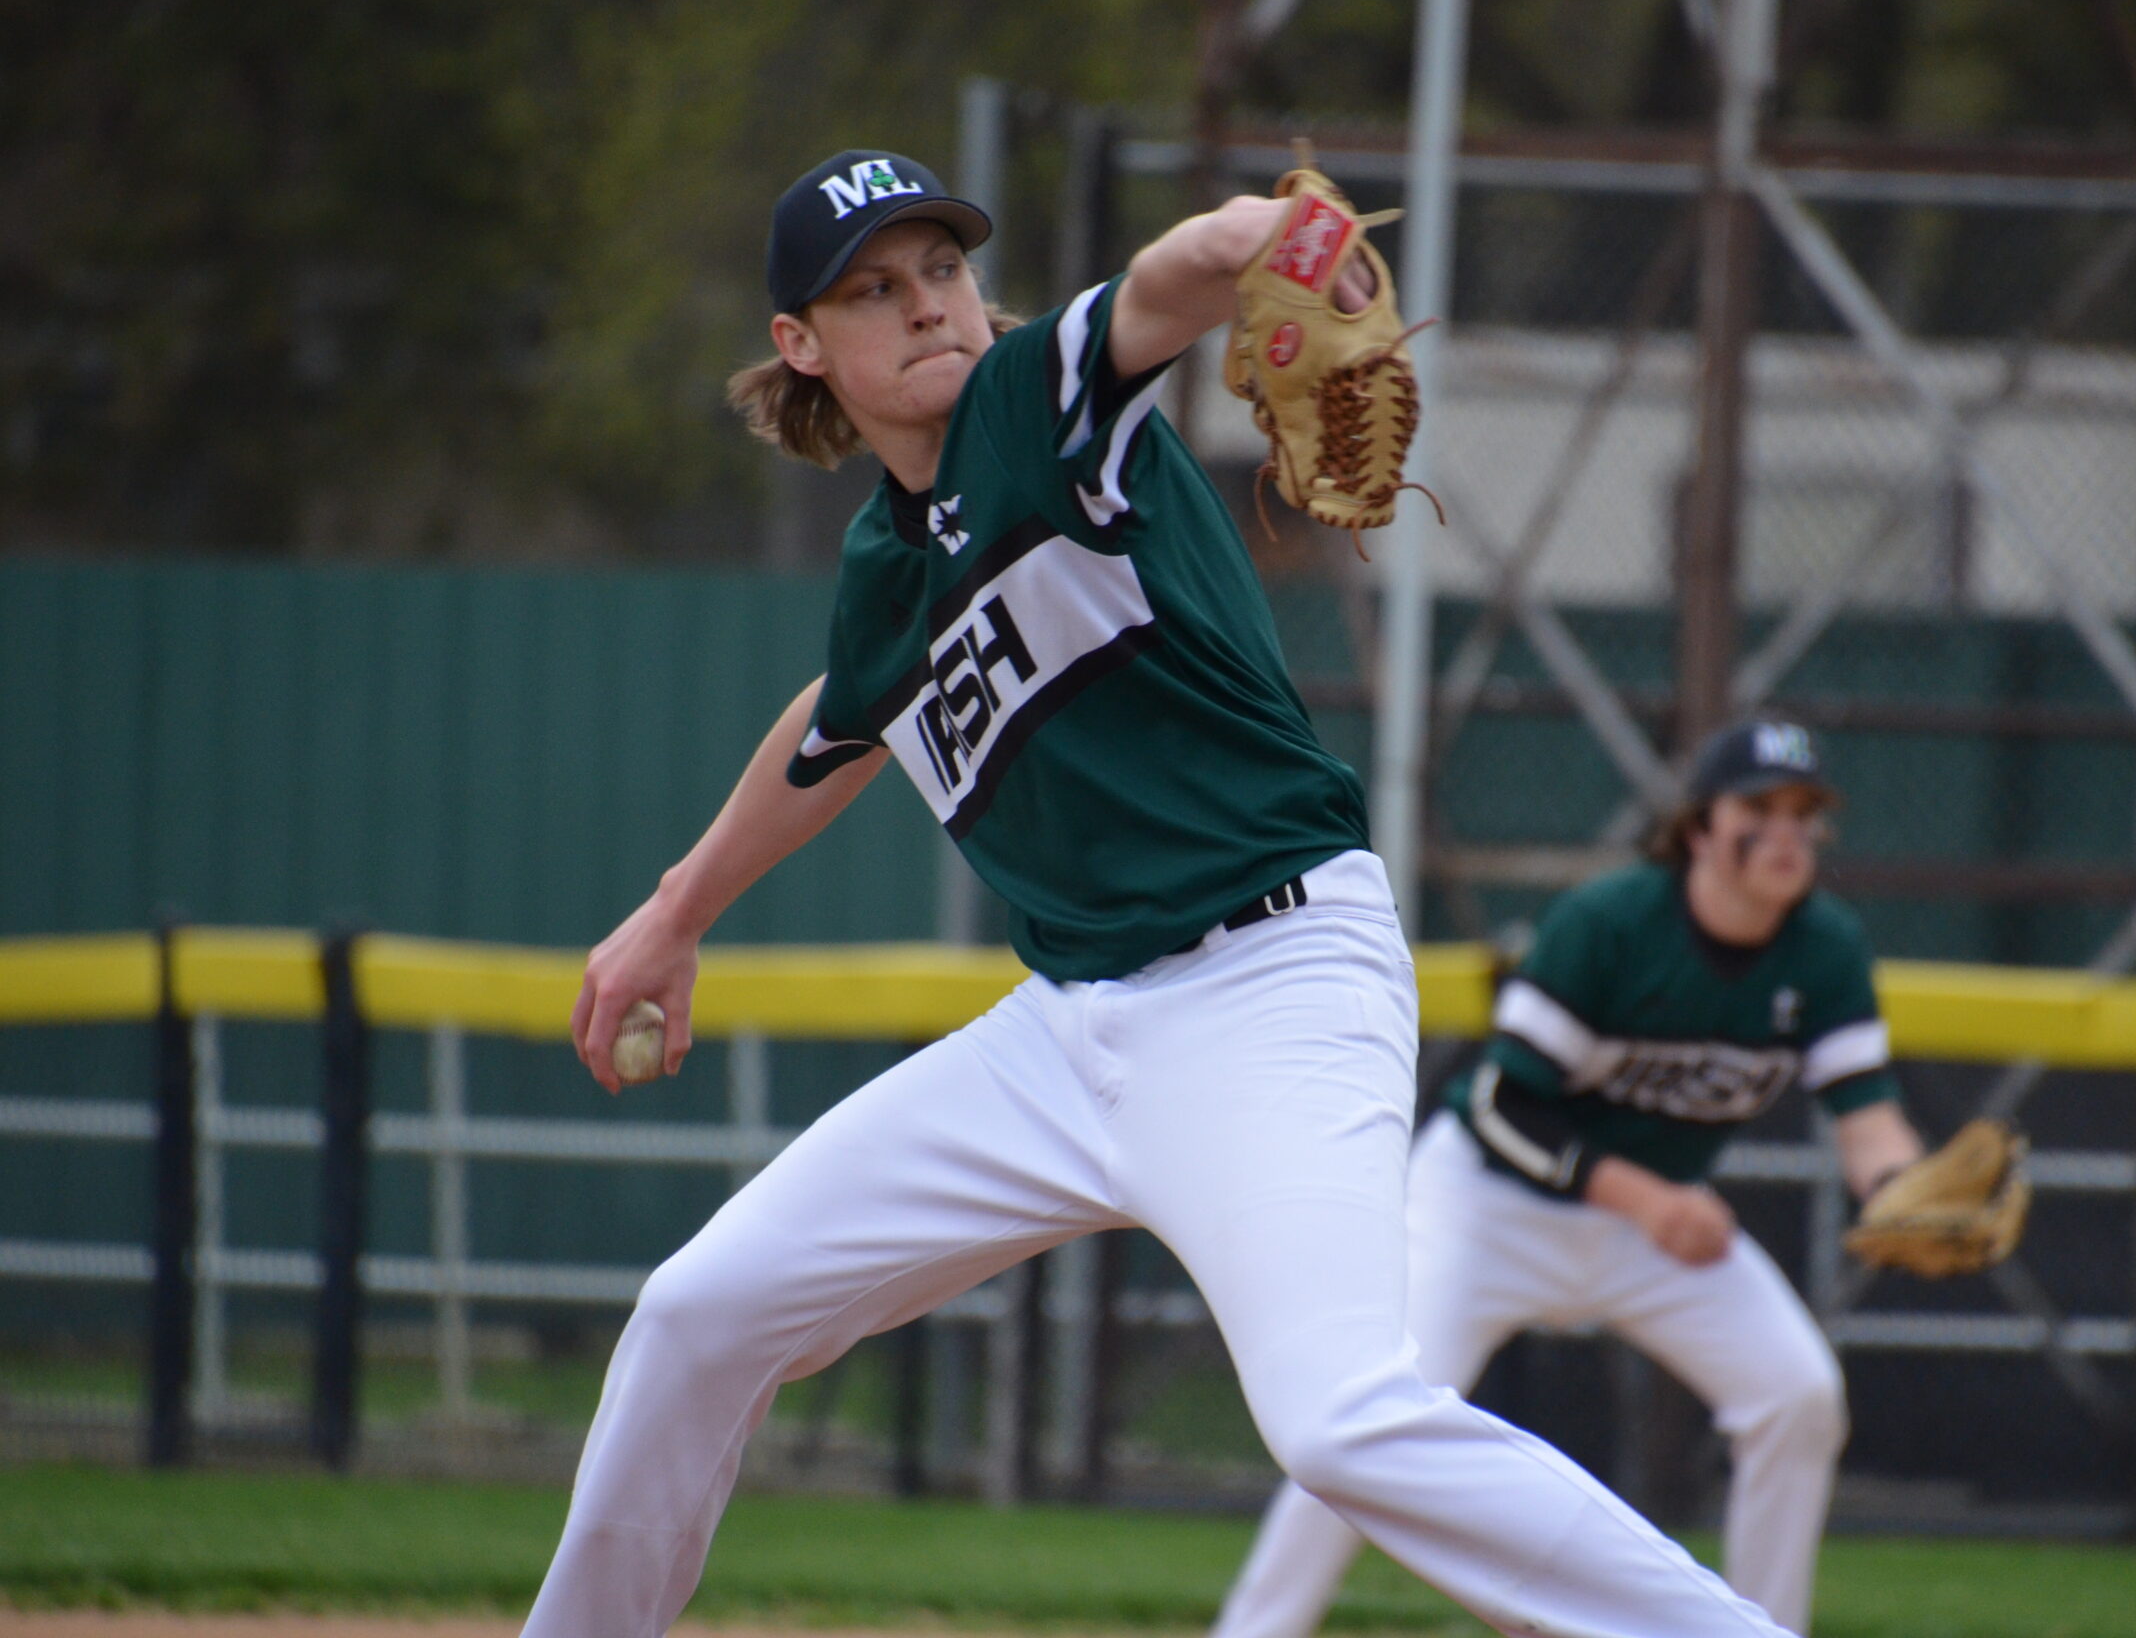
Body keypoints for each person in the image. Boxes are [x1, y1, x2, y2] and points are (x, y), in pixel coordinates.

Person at [521, 148, 1788, 1638]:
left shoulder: (1030, 402)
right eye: (874, 289)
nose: (929, 306)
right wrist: (675, 910)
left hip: (1273, 987)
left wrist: (1282, 241)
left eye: (943, 270)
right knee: (694, 1318)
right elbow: (834, 731)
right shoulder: (888, 564)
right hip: (1065, 1037)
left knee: (1336, 1422)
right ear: (803, 346)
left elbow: (1179, 277)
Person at [1211, 718, 1925, 1638]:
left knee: (1797, 1395)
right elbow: (1506, 1106)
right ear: (1702, 826)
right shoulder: (1613, 922)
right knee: (1364, 1421)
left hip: (1651, 1228)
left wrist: (1905, 1189)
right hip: (1487, 1207)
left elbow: (1867, 1121)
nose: (1788, 833)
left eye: (1807, 813)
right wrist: (1650, 1199)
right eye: (1762, 809)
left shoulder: (1824, 949)